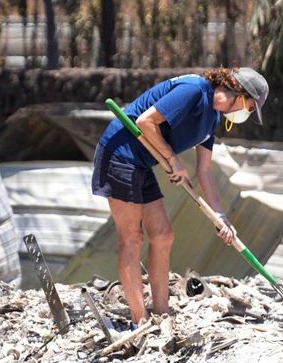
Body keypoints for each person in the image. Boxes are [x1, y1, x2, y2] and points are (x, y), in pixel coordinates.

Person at [92, 67, 270, 326]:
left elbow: (204, 170)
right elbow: (145, 122)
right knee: (131, 239)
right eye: (250, 107)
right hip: (120, 154)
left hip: (142, 163)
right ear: (238, 92)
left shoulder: (212, 120)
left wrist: (220, 216)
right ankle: (139, 320)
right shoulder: (194, 90)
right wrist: (173, 160)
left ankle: (162, 314)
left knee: (163, 235)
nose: (247, 114)